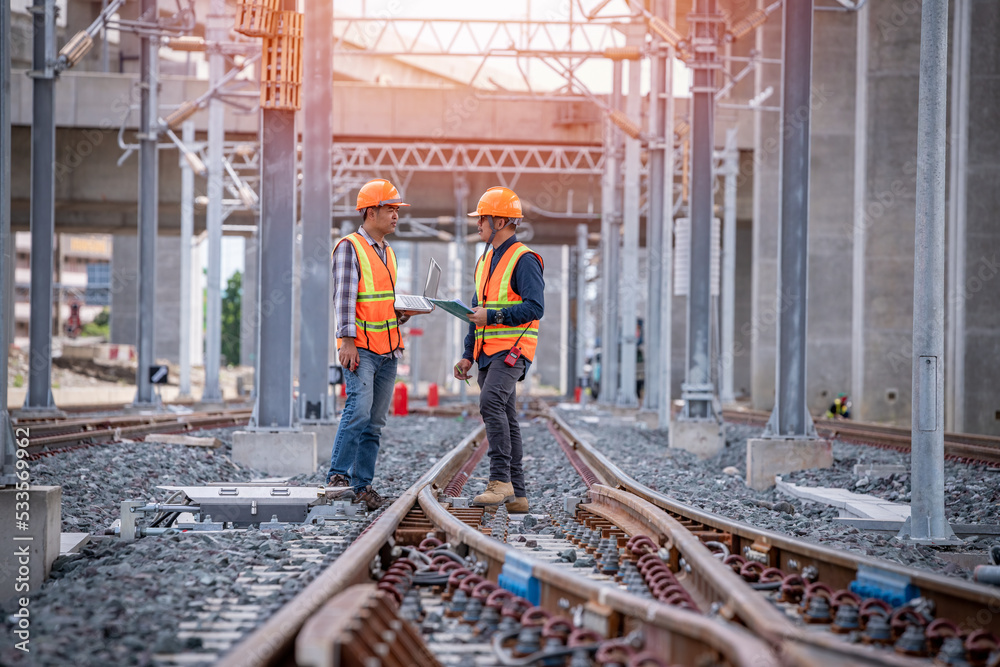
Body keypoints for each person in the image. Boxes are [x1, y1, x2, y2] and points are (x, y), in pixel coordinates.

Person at [454, 186, 544, 514]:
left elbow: (535, 308)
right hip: (487, 352)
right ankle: (518, 493)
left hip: (513, 348)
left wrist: (492, 316)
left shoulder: (524, 260)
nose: (478, 224)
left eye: (483, 219)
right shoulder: (484, 260)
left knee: (490, 402)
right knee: (506, 413)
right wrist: (467, 354)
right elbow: (474, 313)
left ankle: (499, 480)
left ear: (501, 220)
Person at [326, 178, 414, 510]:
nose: (395, 215)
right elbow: (344, 299)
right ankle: (338, 477)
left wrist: (402, 314)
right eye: (390, 209)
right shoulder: (351, 247)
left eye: (396, 210)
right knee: (358, 412)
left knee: (374, 423)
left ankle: (363, 485)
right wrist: (346, 341)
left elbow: (379, 302)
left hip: (388, 348)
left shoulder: (388, 253)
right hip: (360, 347)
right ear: (370, 211)